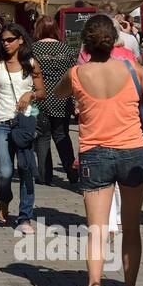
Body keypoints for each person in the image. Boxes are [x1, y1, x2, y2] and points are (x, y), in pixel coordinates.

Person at [55, 15, 143, 286]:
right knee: (131, 227)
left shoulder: (76, 73)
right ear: (114, 40)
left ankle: (94, 284)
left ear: (85, 44)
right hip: (132, 151)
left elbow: (60, 93)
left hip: (94, 154)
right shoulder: (133, 69)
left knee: (97, 229)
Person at [0, 23, 46, 230]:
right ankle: (4, 200)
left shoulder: (31, 64)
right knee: (5, 172)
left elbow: (42, 92)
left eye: (10, 39)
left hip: (24, 124)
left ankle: (25, 217)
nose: (6, 43)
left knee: (25, 170)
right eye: (3, 40)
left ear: (21, 40)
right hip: (2, 123)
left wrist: (30, 94)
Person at [32, 17, 80, 187]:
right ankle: (72, 172)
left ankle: (45, 175)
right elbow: (74, 73)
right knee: (62, 135)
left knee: (42, 136)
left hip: (40, 97)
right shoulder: (66, 48)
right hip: (62, 97)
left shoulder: (34, 48)